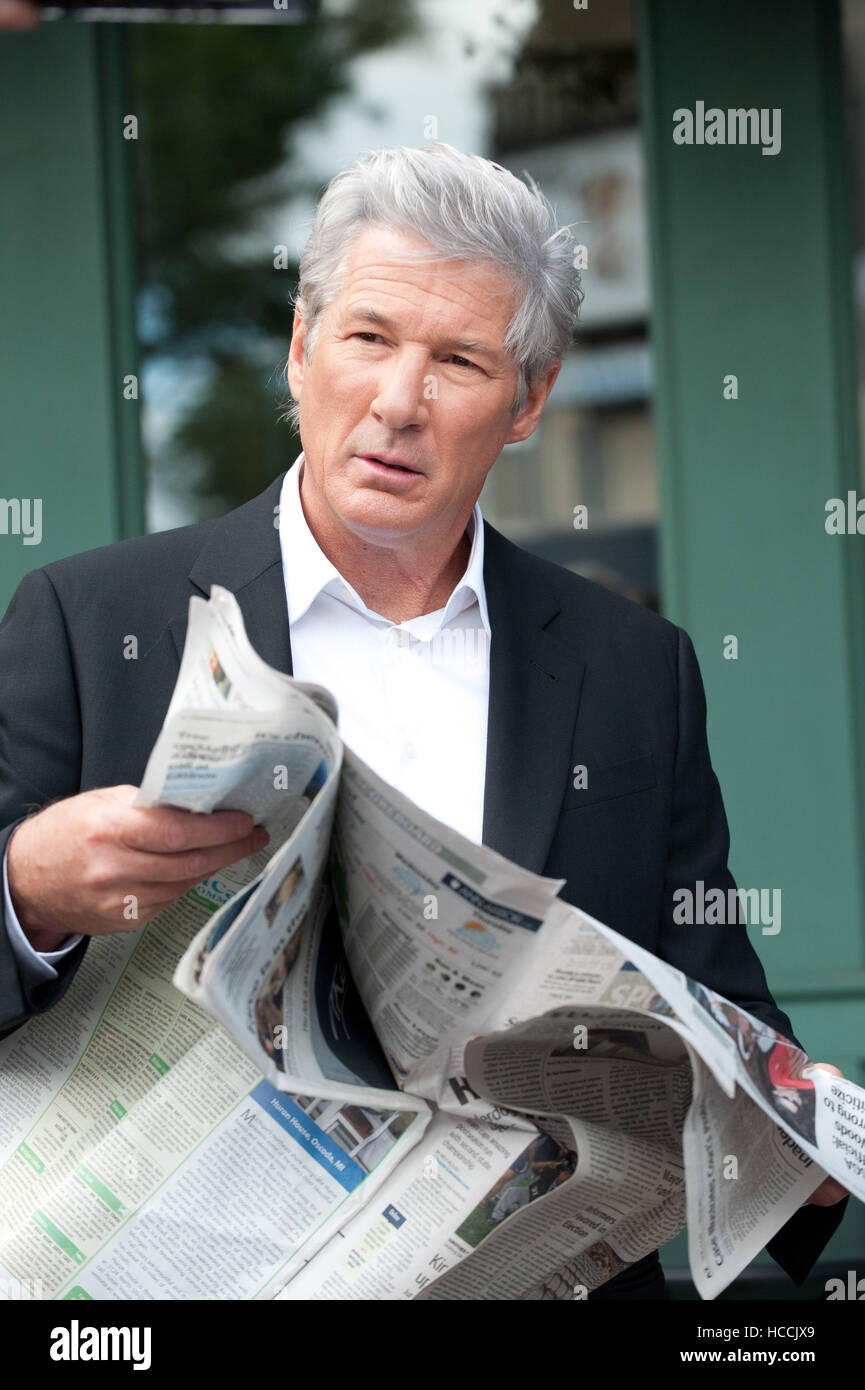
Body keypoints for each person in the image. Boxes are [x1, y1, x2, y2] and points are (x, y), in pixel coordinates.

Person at [0, 143, 848, 1297]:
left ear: (529, 402)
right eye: (366, 338)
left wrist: (801, 1138)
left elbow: (718, 1006)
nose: (398, 401)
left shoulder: (633, 669)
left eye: (456, 359)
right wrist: (28, 892)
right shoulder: (87, 621)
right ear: (301, 350)